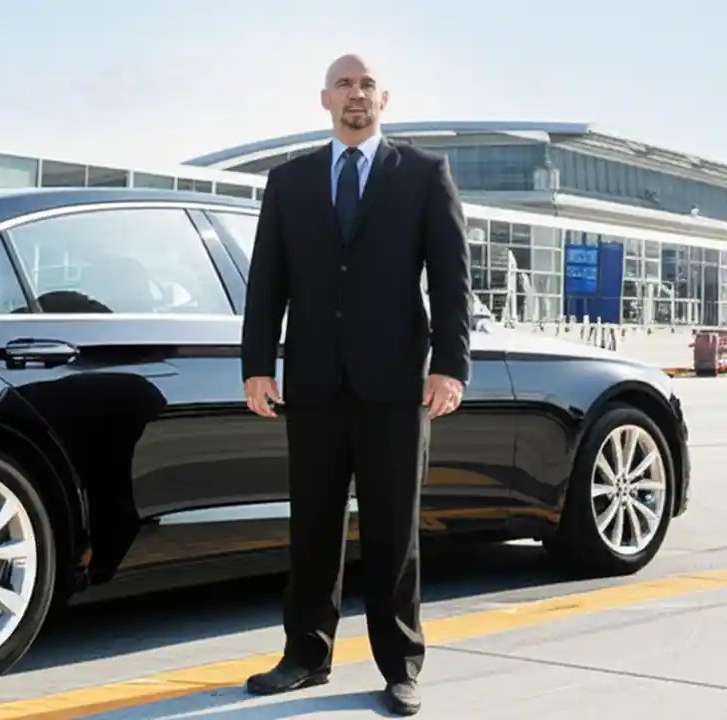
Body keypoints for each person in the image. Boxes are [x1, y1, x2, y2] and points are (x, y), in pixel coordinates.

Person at [239, 53, 471, 716]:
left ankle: (401, 666)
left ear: (384, 98)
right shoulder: (290, 182)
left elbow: (451, 279)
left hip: (397, 386)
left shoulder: (424, 175)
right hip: (311, 384)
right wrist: (258, 365)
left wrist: (450, 365)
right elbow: (267, 283)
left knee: (394, 534)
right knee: (311, 528)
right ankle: (304, 657)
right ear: (324, 99)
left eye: (367, 84)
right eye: (344, 84)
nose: (356, 95)